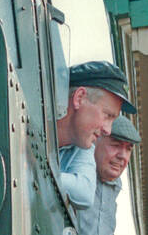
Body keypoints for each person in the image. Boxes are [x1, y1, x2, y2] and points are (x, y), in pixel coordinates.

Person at [55, 61, 134, 209]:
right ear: (79, 98)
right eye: (107, 115)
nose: (108, 130)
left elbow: (84, 194)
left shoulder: (83, 145)